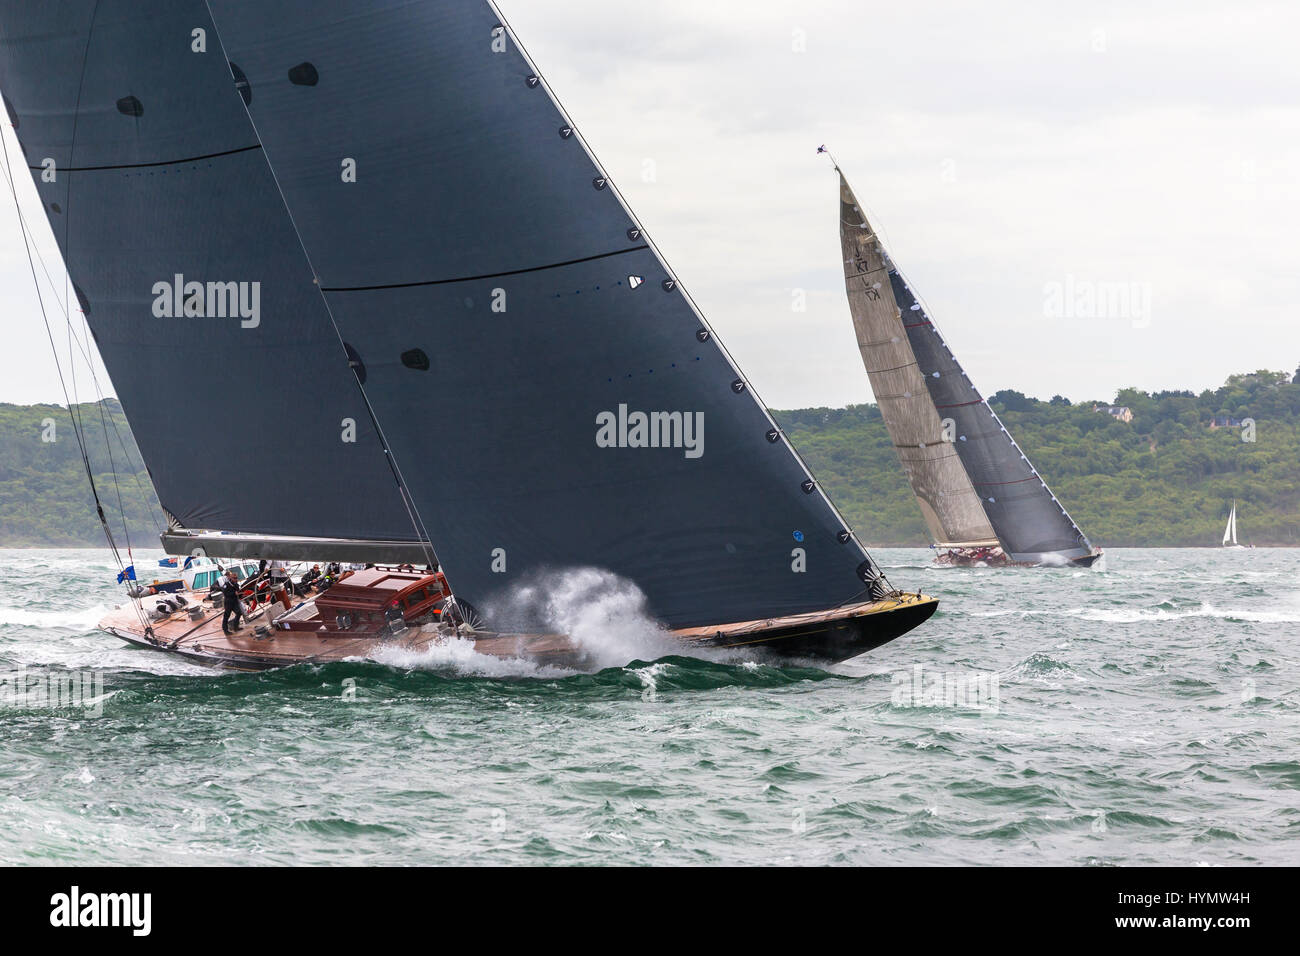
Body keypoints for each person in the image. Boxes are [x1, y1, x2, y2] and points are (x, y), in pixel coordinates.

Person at [218, 569, 244, 635]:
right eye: (234, 578)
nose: (236, 579)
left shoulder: (236, 585)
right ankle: (225, 630)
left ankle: (236, 627)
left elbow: (238, 592)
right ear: (231, 578)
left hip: (234, 602)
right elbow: (226, 594)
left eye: (236, 578)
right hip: (228, 603)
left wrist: (241, 594)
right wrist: (234, 593)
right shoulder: (226, 585)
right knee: (226, 616)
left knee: (239, 613)